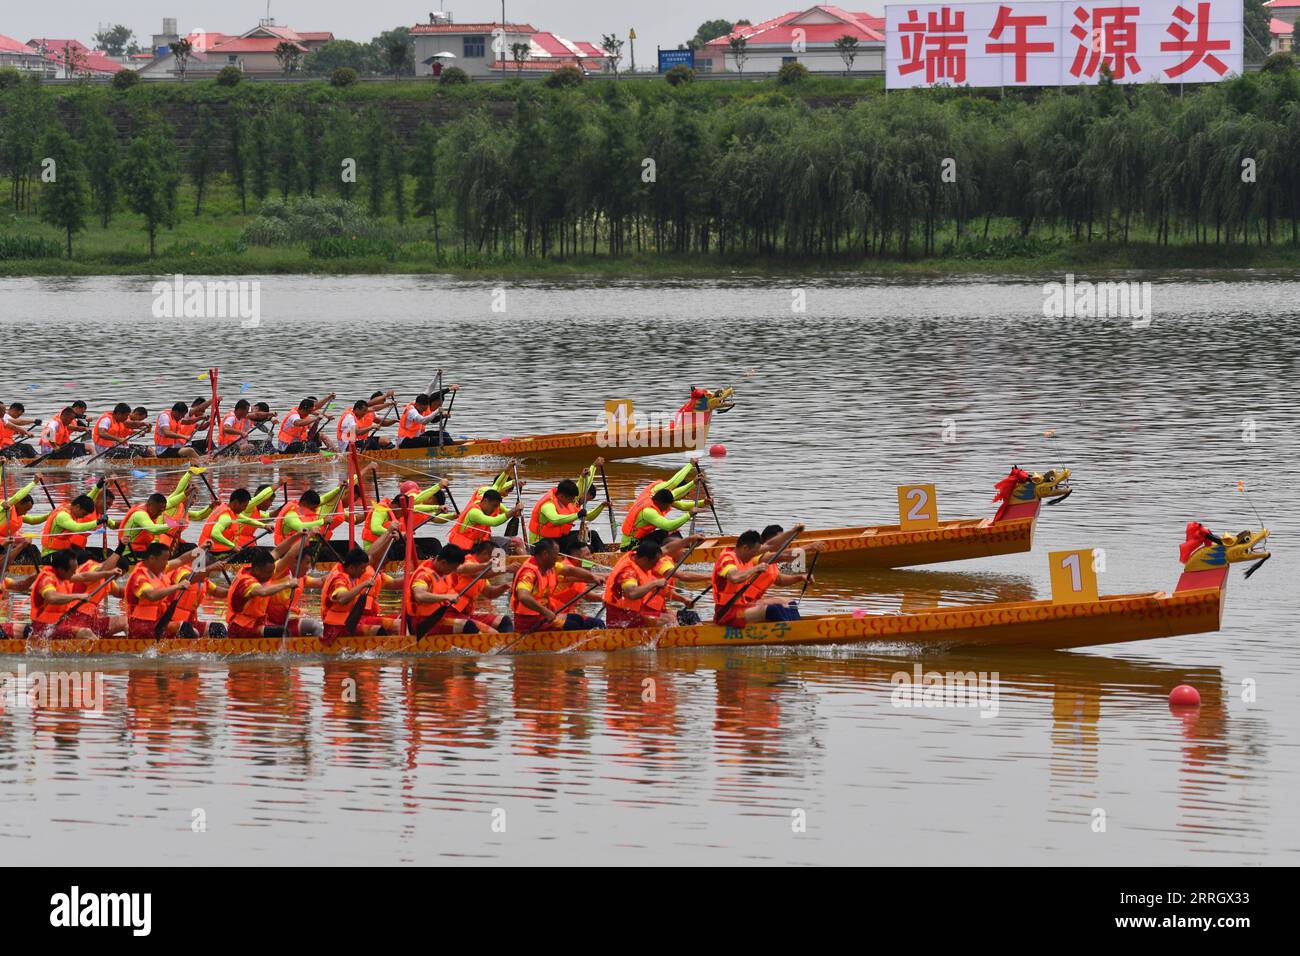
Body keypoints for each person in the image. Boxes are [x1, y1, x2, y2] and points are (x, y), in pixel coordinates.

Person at [711, 526, 820, 627]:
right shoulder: (727, 559)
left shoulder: (747, 554)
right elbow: (734, 577)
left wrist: (793, 531)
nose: (754, 556)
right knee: (774, 610)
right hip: (726, 613)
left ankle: (797, 628)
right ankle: (787, 634)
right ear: (745, 548)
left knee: (790, 605)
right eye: (753, 553)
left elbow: (770, 545)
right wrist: (755, 568)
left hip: (742, 605)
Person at [509, 538, 603, 633]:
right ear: (545, 554)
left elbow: (570, 570)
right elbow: (523, 596)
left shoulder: (550, 566)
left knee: (593, 623)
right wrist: (545, 612)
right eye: (555, 555)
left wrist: (593, 576)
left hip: (545, 616)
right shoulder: (529, 573)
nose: (557, 558)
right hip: (529, 621)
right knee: (574, 626)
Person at [319, 534, 400, 641]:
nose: (364, 571)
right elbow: (342, 599)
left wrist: (389, 536)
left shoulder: (352, 570)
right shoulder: (339, 579)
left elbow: (371, 556)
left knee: (400, 620)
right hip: (335, 628)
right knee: (382, 629)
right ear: (352, 567)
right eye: (362, 569)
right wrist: (363, 584)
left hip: (348, 622)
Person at [619, 460, 710, 548]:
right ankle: (681, 550)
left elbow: (682, 505)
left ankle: (683, 547)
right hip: (630, 546)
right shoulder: (648, 510)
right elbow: (668, 526)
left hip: (641, 539)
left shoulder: (660, 497)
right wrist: (690, 465)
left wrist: (703, 501)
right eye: (668, 505)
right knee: (668, 531)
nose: (668, 507)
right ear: (662, 503)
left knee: (672, 533)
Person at [527, 460, 609, 550]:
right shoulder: (548, 505)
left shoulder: (567, 502)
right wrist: (577, 515)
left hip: (557, 538)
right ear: (562, 496)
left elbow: (588, 516)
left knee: (592, 534)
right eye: (571, 499)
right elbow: (555, 519)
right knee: (580, 542)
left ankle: (604, 554)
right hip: (540, 543)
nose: (573, 501)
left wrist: (601, 506)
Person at [223, 548, 302, 639]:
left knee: (284, 629)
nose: (271, 575)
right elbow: (263, 592)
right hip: (241, 628)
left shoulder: (253, 569)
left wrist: (299, 536)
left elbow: (277, 551)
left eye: (272, 571)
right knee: (283, 632)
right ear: (257, 569)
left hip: (254, 624)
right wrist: (288, 584)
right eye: (269, 573)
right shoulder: (247, 582)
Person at [26, 551, 105, 640]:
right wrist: (78, 596)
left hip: (56, 625)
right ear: (61, 570)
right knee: (85, 632)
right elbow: (52, 598)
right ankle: (103, 652)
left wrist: (110, 573)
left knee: (85, 629)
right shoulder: (47, 579)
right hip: (43, 628)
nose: (75, 573)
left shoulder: (63, 577)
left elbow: (84, 577)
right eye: (73, 570)